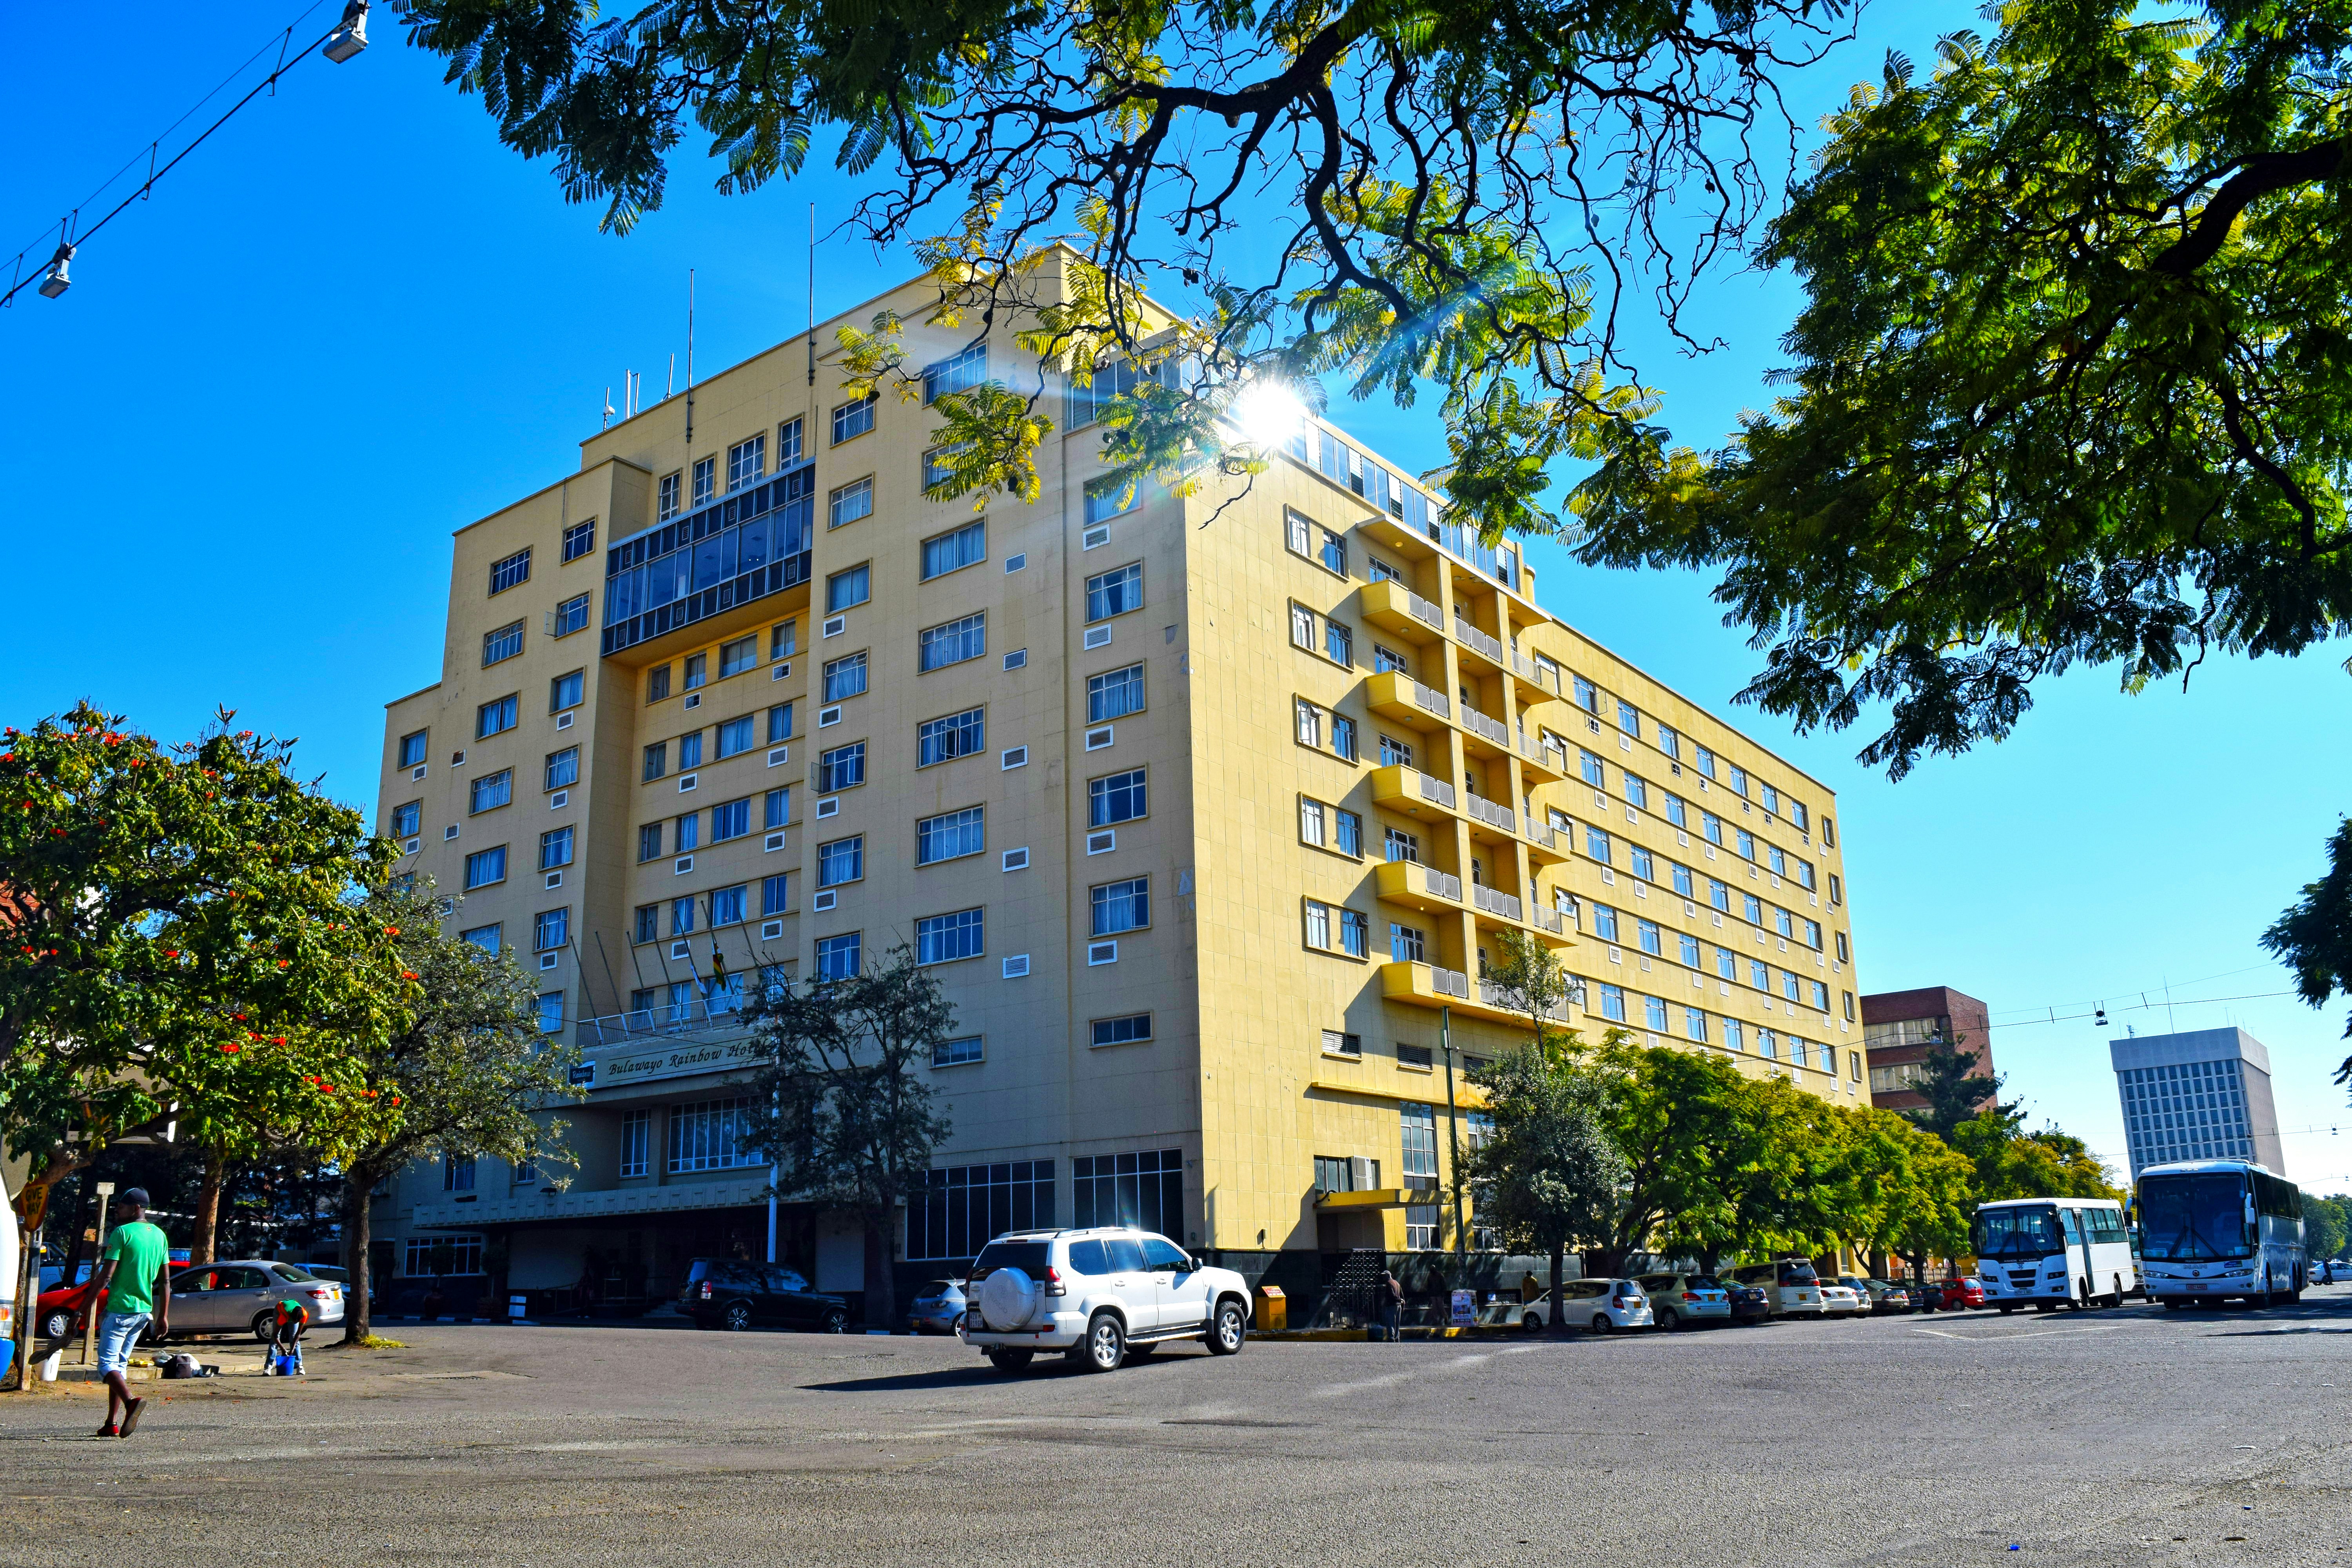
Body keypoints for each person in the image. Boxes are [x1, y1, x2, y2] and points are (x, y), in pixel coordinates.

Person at [88, 1188, 171, 1438]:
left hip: (121, 1310)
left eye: (122, 1206)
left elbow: (106, 1276)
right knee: (120, 1366)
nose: (117, 1209)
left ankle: (131, 1401)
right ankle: (111, 1423)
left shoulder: (122, 1233)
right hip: (143, 1312)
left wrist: (83, 1310)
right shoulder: (159, 1236)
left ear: (136, 1208)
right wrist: (163, 1316)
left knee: (106, 1365)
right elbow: (166, 1282)